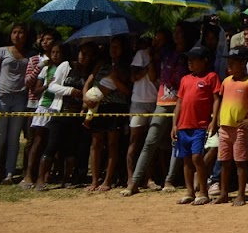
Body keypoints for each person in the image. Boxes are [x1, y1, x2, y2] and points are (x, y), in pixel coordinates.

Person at [213, 46, 248, 206]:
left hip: (239, 128)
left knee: (240, 162)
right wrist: (216, 119)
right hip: (224, 127)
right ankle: (224, 193)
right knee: (224, 161)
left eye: (233, 62)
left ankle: (241, 194)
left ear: (243, 63)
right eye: (228, 62)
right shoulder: (226, 81)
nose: (229, 65)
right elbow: (221, 100)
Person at [37, 41, 91, 191]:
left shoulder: (89, 72)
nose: (83, 56)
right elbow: (52, 86)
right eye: (81, 52)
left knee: (71, 149)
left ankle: (66, 179)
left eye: (87, 54)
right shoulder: (66, 65)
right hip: (60, 111)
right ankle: (41, 179)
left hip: (76, 115)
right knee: (52, 145)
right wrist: (70, 91)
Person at [172, 45, 220, 206]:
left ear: (204, 61)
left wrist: (213, 121)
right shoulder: (185, 79)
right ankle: (189, 192)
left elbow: (216, 100)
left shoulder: (211, 77)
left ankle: (203, 192)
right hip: (183, 126)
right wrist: (174, 124)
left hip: (200, 125)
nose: (190, 63)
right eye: (188, 60)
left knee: (197, 157)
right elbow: (179, 102)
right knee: (186, 160)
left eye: (194, 60)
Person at [0, 22, 31, 186]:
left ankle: (9, 174)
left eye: (21, 32)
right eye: (14, 32)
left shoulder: (29, 54)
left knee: (13, 139)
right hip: (2, 97)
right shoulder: (1, 51)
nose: (17, 35)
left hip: (19, 98)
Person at [84, 35, 131, 192]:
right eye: (112, 46)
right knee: (96, 143)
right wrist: (86, 98)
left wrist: (115, 79)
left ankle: (107, 180)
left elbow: (127, 92)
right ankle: (94, 179)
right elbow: (88, 83)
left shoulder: (125, 67)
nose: (114, 49)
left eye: (117, 46)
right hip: (97, 106)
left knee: (112, 144)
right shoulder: (101, 64)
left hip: (116, 106)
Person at [21, 28, 57, 189]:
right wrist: (41, 65)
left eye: (49, 39)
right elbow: (29, 83)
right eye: (43, 39)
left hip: (56, 106)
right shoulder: (37, 60)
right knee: (35, 140)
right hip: (37, 104)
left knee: (50, 142)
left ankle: (46, 173)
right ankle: (28, 174)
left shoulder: (63, 64)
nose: (45, 42)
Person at [124, 35, 158, 193]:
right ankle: (131, 178)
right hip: (139, 100)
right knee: (135, 141)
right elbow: (134, 76)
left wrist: (152, 60)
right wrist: (148, 61)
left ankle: (149, 178)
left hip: (155, 100)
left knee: (150, 142)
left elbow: (153, 77)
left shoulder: (161, 56)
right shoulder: (141, 55)